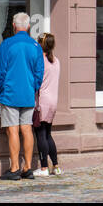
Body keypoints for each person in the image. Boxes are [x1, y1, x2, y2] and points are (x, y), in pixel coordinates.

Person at [0, 11, 43, 181]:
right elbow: (39, 74)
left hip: (10, 93)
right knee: (27, 128)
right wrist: (33, 88)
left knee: (12, 129)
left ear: (13, 26)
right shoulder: (36, 46)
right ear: (28, 26)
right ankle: (27, 167)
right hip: (28, 94)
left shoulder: (7, 45)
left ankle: (14, 168)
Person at [32, 33, 61, 177]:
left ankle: (44, 167)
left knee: (40, 134)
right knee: (48, 134)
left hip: (42, 101)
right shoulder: (56, 61)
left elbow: (36, 82)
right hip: (53, 101)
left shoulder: (40, 61)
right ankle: (55, 166)